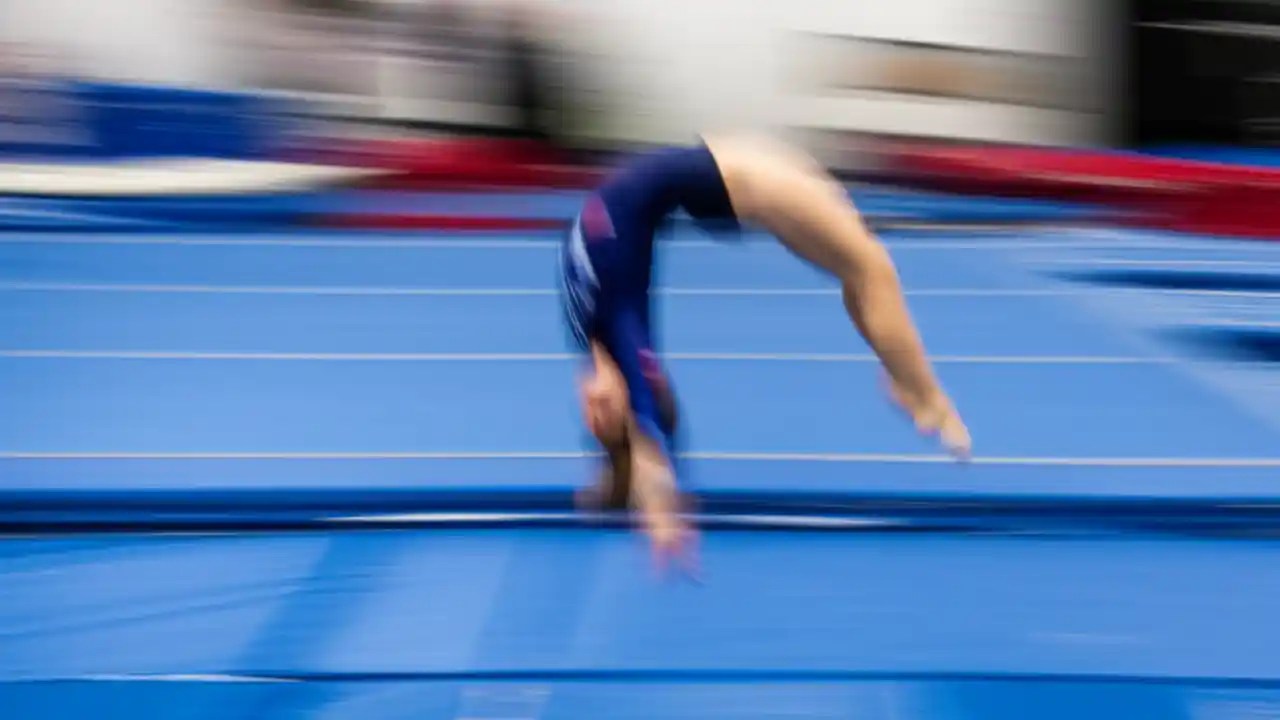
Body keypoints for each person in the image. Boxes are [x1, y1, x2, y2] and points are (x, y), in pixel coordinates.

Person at [558, 134, 971, 568]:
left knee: (858, 271)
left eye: (593, 419)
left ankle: (902, 378)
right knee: (872, 269)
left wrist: (612, 475)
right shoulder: (623, 329)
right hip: (746, 183)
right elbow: (650, 421)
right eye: (611, 415)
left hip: (731, 163)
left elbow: (640, 417)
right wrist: (661, 509)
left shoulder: (582, 323)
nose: (595, 406)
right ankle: (924, 397)